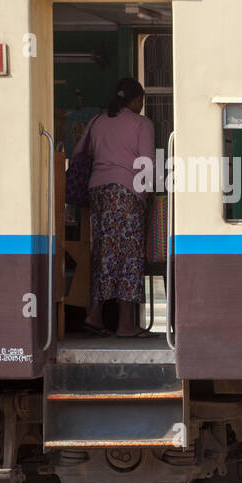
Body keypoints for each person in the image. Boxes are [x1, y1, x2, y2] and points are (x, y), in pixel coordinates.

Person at [72, 77, 154, 338]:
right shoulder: (142, 123)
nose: (141, 105)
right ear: (136, 99)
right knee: (129, 255)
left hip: (97, 191)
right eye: (141, 100)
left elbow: (77, 154)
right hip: (127, 192)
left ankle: (95, 314)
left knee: (105, 252)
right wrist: (146, 196)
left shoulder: (97, 121)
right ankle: (125, 324)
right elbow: (146, 164)